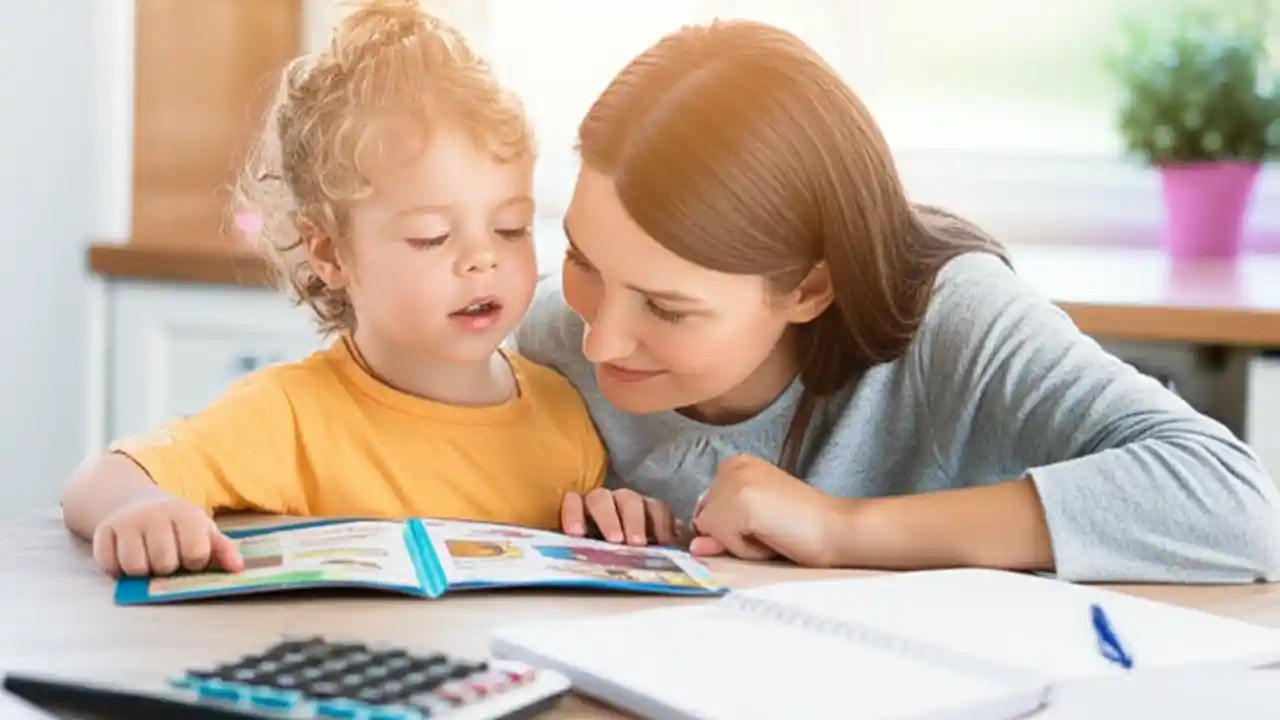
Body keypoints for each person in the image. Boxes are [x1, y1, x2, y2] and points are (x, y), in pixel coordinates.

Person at [517, 18, 1280, 582]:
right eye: (582, 257)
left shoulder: (953, 318)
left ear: (812, 286)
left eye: (667, 309)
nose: (599, 342)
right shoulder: (556, 329)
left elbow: (1234, 506)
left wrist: (841, 527)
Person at [60, 0, 604, 578]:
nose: (481, 259)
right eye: (432, 236)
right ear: (329, 251)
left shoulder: (564, 412)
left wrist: (622, 519)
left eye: (511, 227)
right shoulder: (290, 416)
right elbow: (97, 481)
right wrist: (142, 507)